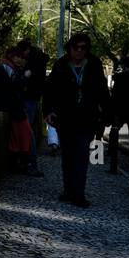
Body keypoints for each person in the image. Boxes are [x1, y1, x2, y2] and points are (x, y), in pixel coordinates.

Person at [43, 32, 110, 207]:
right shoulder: (61, 65)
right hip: (65, 118)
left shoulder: (94, 64)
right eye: (76, 48)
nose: (79, 51)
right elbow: (49, 90)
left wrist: (107, 114)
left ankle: (78, 193)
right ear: (70, 49)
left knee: (81, 155)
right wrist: (48, 111)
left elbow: (103, 90)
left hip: (87, 118)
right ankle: (68, 189)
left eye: (83, 48)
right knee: (68, 156)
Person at [16, 38, 49, 167]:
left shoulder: (33, 61)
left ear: (26, 50)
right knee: (30, 128)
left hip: (30, 96)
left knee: (27, 128)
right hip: (35, 96)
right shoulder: (39, 58)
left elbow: (30, 77)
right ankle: (30, 159)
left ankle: (30, 160)